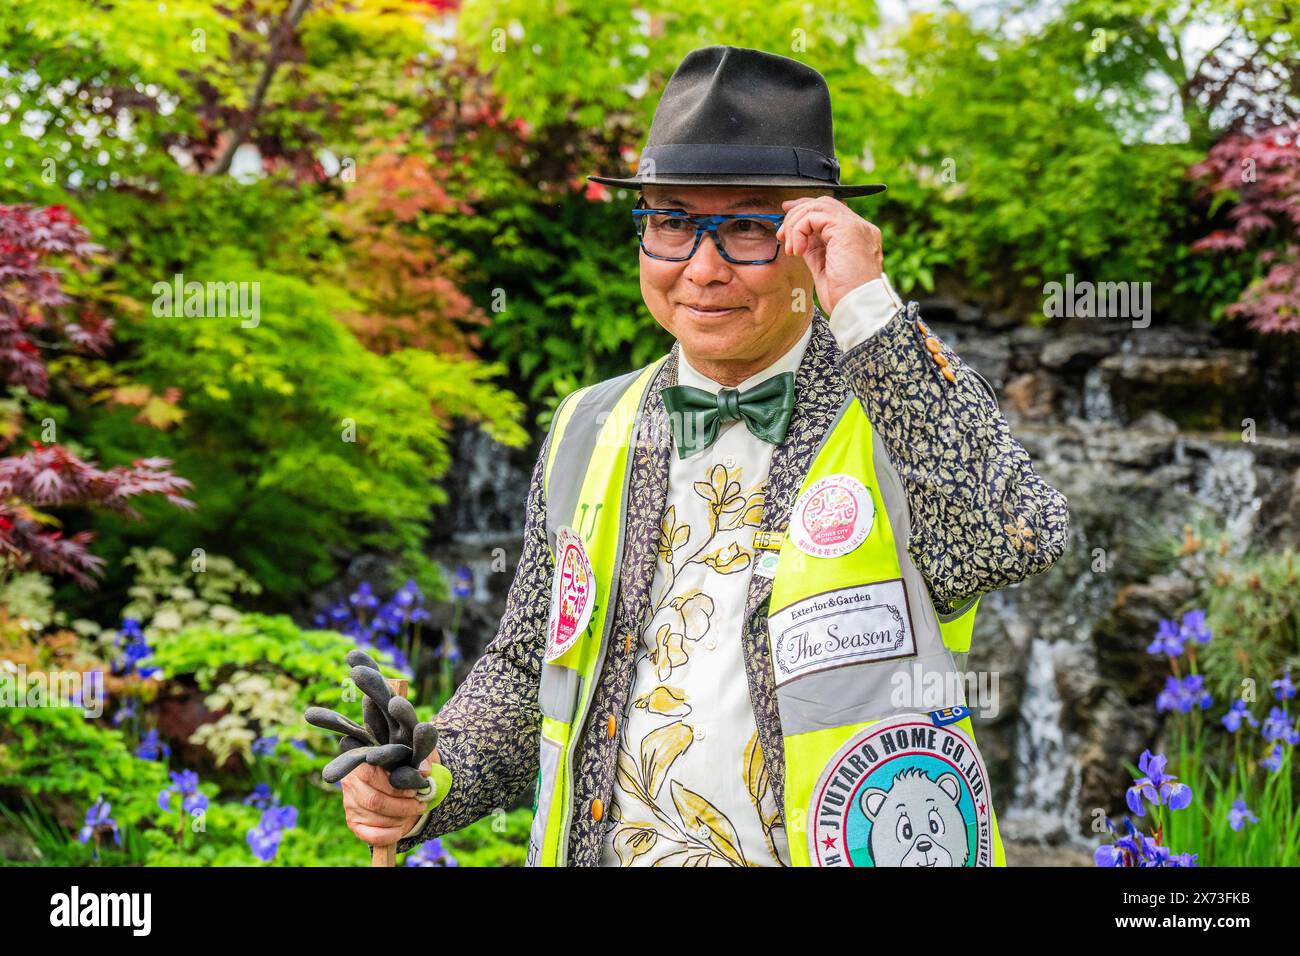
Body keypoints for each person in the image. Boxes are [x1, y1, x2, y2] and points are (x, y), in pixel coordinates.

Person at [342, 44, 1069, 867]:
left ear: (814, 238)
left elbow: (1020, 533)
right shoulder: (586, 424)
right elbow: (523, 677)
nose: (704, 267)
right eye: (673, 222)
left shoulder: (901, 400)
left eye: (751, 227)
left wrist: (869, 309)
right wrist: (430, 782)